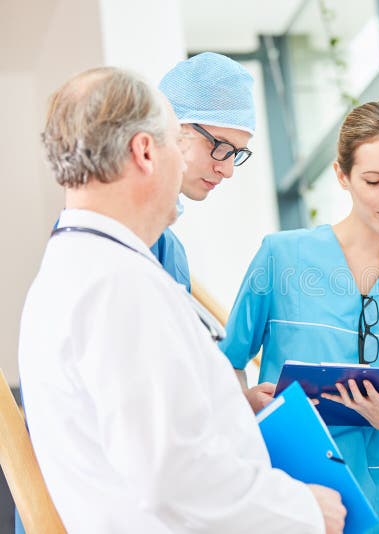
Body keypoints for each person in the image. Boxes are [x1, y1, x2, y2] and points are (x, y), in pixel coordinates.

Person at [18, 66, 345, 533]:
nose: (222, 168)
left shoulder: (87, 269)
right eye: (177, 141)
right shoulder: (116, 285)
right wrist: (303, 511)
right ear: (146, 151)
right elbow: (173, 477)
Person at [219, 100, 379, 533]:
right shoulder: (281, 257)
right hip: (299, 498)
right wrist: (245, 405)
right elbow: (226, 363)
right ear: (342, 175)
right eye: (374, 181)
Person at [152, 52, 256, 291]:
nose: (227, 170)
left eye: (236, 154)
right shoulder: (117, 227)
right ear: (174, 127)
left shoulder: (170, 249)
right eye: (220, 145)